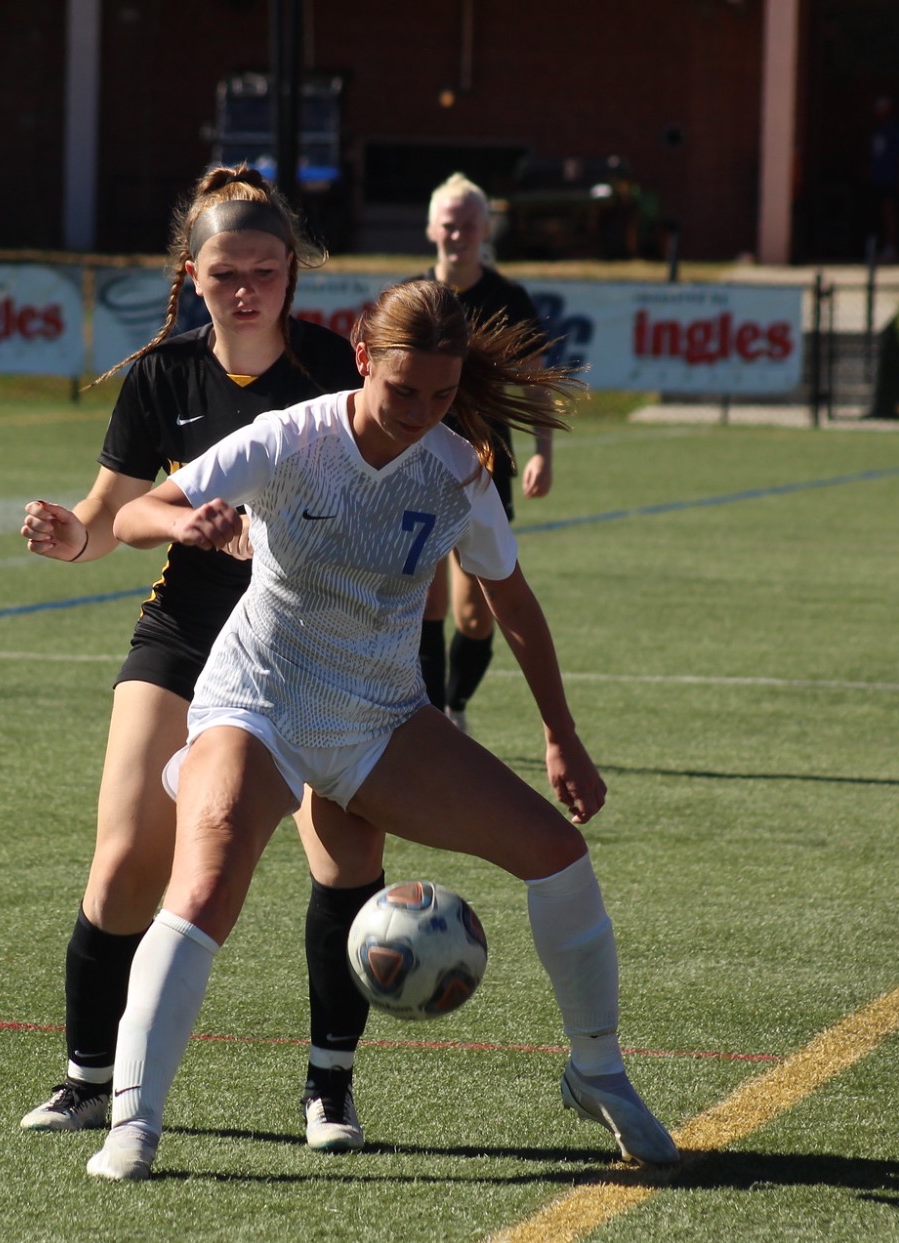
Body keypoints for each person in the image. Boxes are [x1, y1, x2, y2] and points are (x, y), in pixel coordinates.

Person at [88, 278, 679, 1181]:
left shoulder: (456, 472)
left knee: (559, 855)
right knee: (205, 881)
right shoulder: (291, 438)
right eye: (405, 390)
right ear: (364, 357)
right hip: (260, 699)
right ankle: (133, 1120)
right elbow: (134, 514)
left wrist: (562, 731)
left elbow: (512, 602)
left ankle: (596, 1069)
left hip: (380, 715)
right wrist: (186, 517)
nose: (422, 412)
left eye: (442, 395)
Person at [17, 165, 389, 1153]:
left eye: (264, 272)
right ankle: (86, 1080)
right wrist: (79, 536)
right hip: (184, 637)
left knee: (345, 854)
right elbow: (115, 516)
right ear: (194, 273)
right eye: (225, 273)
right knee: (125, 864)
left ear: (291, 276)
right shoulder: (163, 377)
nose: (245, 290)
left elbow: (377, 494)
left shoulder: (331, 375)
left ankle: (327, 1088)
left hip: (311, 643)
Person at [417, 172, 557, 734]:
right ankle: (428, 723)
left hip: (482, 471)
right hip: (413, 469)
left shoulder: (508, 300)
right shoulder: (413, 298)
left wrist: (544, 452)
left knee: (475, 614)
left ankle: (454, 701)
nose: (458, 235)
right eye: (449, 224)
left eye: (468, 225)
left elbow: (536, 383)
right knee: (424, 603)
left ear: (484, 230)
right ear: (431, 229)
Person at [867, 95, 899, 263]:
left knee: (890, 212)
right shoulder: (877, 130)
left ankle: (892, 247)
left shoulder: (895, 131)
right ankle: (881, 247)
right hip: (878, 179)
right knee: (880, 213)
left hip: (891, 179)